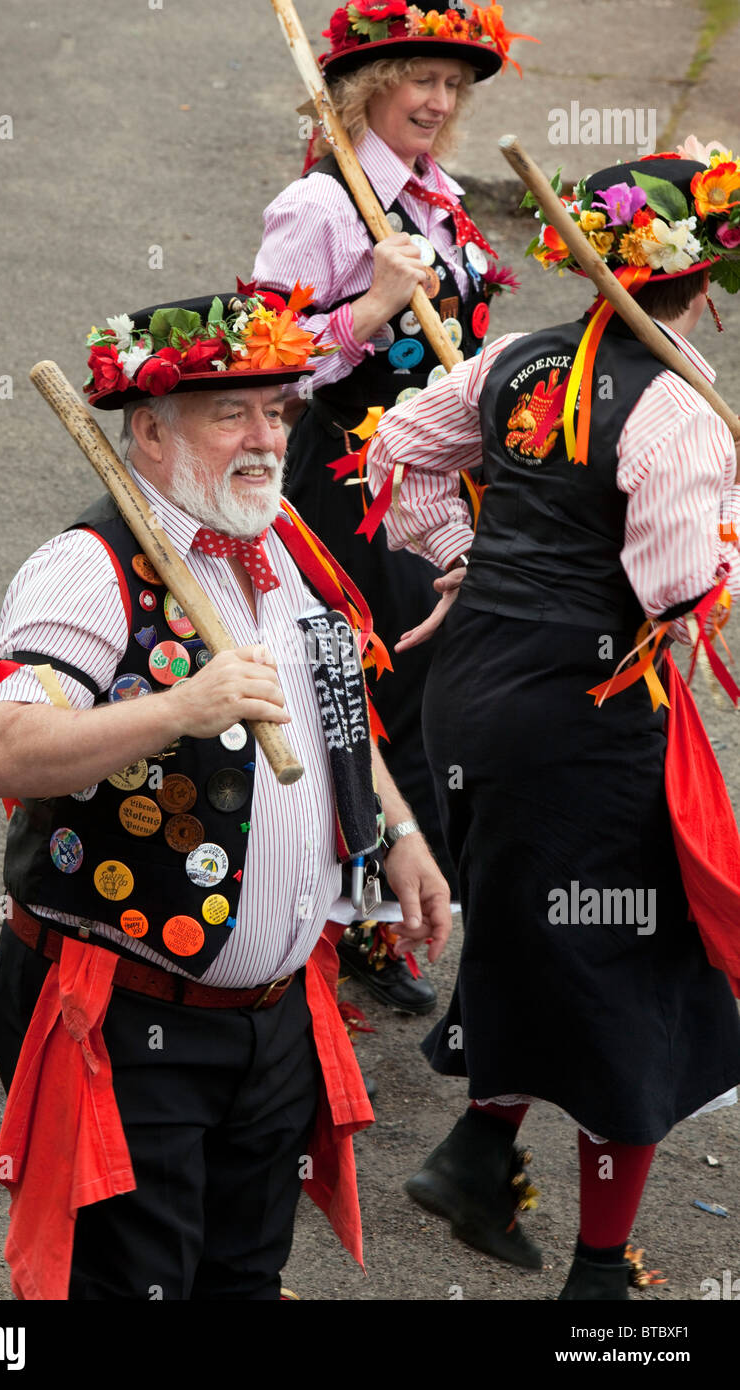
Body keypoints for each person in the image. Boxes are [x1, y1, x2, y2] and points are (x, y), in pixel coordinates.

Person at [0, 285, 452, 1301]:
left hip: (275, 1016)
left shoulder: (281, 541)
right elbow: (7, 750)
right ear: (147, 430)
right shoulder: (87, 569)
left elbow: (333, 706)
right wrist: (175, 709)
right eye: (230, 410)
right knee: (134, 1284)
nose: (265, 435)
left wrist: (399, 831)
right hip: (126, 1017)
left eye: (277, 409)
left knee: (242, 1275)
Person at [366, 148, 740, 1299]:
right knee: (633, 968)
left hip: (471, 692)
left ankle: (477, 1150)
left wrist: (469, 564)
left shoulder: (510, 359)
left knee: (534, 922)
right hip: (581, 715)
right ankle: (598, 1269)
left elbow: (394, 453)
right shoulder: (676, 411)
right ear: (708, 282)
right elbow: (676, 586)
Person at [252, 0, 535, 1013]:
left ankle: (378, 896)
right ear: (371, 86)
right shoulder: (323, 211)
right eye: (421, 78)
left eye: (452, 85)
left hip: (423, 490)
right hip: (341, 492)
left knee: (417, 698)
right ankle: (349, 916)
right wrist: (367, 306)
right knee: (362, 695)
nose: (439, 98)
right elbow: (264, 368)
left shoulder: (431, 197)